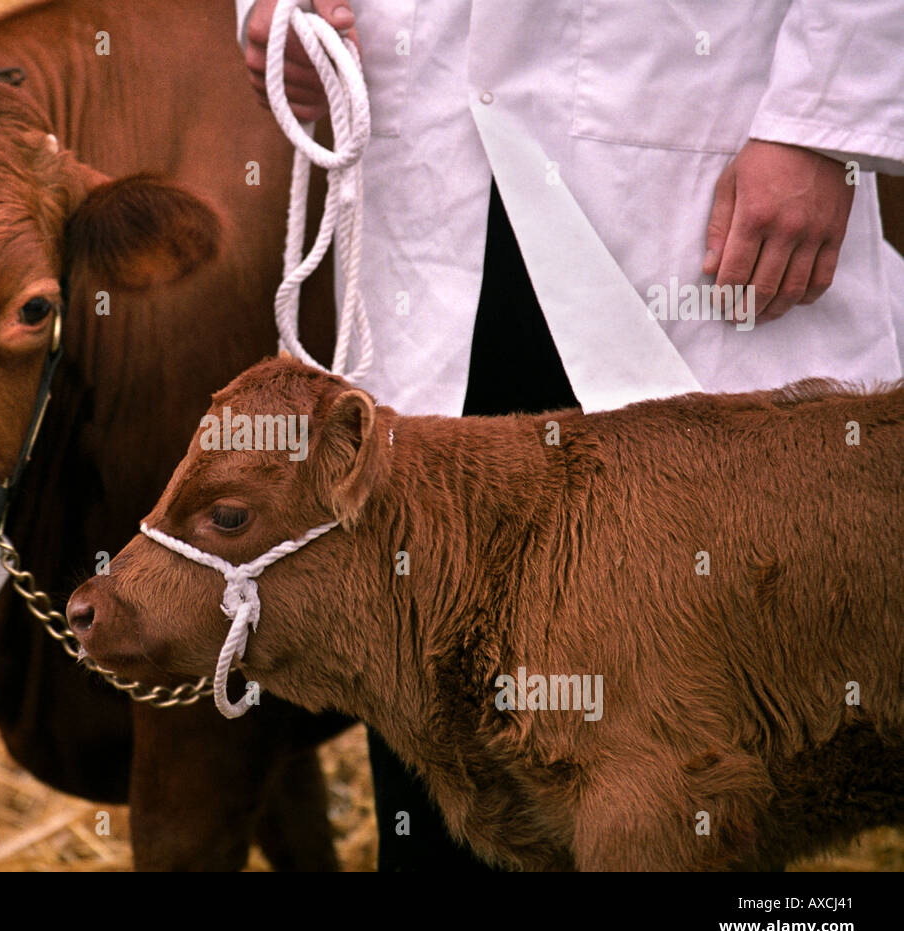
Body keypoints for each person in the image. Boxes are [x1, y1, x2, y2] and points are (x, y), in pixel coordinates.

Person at [236, 0, 904, 870]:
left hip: (682, 157)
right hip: (425, 172)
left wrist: (817, 119)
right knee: (431, 644)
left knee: (691, 717)